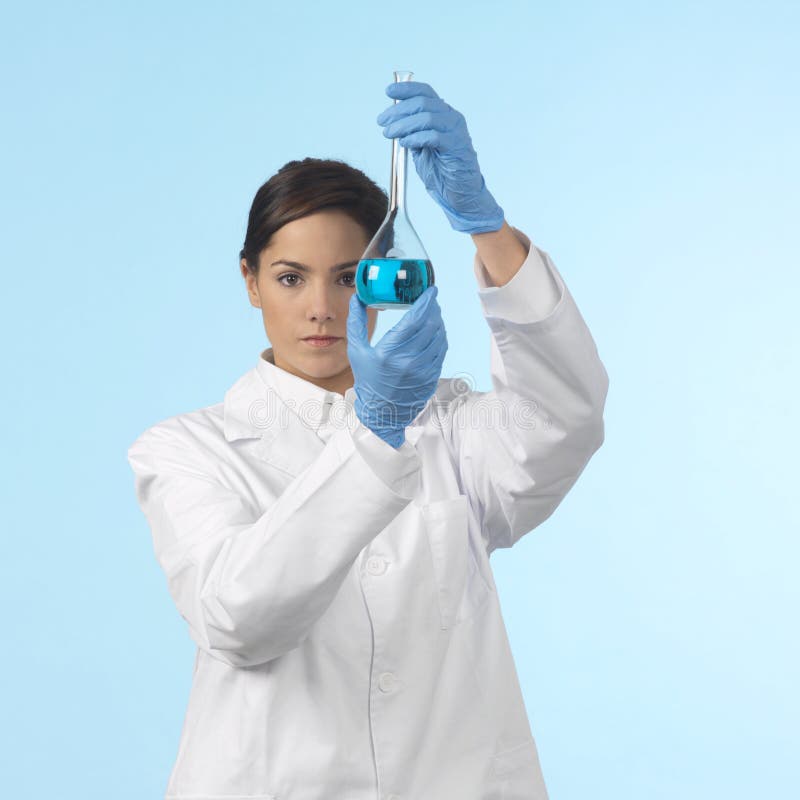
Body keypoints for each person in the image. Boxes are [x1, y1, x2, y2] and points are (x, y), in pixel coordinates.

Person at [127, 80, 609, 800]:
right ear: (250, 281)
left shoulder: (446, 430)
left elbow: (566, 416)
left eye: (351, 277)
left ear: (387, 281)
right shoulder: (187, 450)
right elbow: (238, 618)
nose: (322, 308)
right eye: (291, 278)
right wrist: (375, 436)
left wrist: (486, 227)